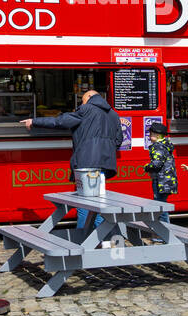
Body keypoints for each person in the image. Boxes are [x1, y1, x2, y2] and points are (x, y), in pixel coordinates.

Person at [20, 88, 124, 232]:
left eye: (82, 100)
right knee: (98, 202)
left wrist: (35, 121)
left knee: (84, 204)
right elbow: (119, 140)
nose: (82, 103)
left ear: (88, 97)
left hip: (87, 164)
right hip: (105, 164)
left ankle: (81, 239)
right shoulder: (113, 114)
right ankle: (102, 238)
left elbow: (61, 122)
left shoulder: (87, 109)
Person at [143, 120, 177, 211]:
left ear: (157, 136)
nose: (149, 137)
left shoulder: (157, 146)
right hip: (167, 180)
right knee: (162, 205)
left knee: (160, 207)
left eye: (151, 135)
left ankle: (164, 225)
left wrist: (147, 167)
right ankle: (164, 224)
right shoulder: (166, 145)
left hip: (160, 181)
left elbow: (157, 163)